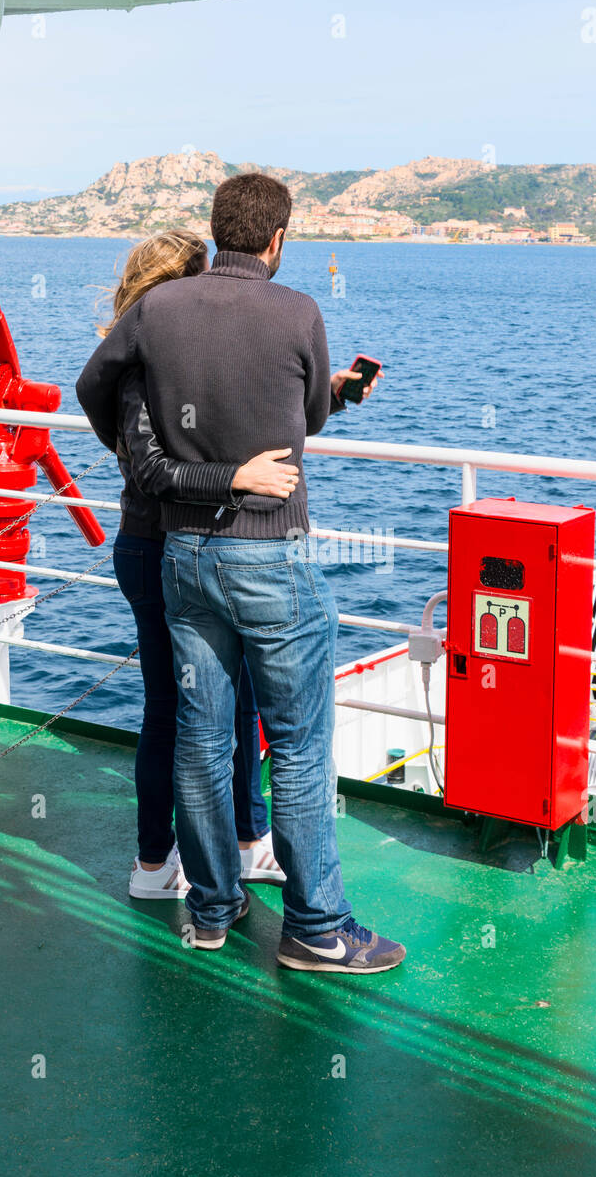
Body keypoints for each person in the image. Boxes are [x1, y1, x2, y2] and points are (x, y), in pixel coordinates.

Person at [78, 176, 405, 975]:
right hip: (268, 554)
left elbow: (95, 385)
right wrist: (318, 404)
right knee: (295, 745)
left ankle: (213, 907)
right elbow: (308, 421)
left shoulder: (159, 312)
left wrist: (136, 453)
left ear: (217, 229)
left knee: (197, 734)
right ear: (277, 240)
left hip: (184, 557)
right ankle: (316, 927)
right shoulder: (299, 312)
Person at [86, 229, 296, 900]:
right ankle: (153, 864)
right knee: (167, 708)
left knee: (236, 708)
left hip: (198, 547)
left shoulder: (171, 358)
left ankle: (245, 840)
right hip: (155, 548)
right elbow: (151, 473)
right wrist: (239, 478)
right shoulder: (139, 370)